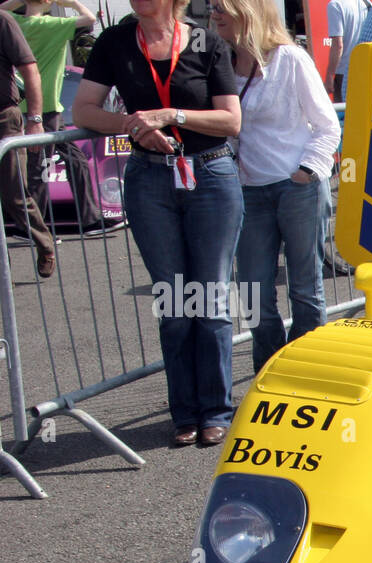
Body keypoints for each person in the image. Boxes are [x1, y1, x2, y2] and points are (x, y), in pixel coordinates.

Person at [72, 0, 242, 448]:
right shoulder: (115, 41)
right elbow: (84, 111)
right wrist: (132, 125)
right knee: (173, 301)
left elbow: (231, 120)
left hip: (209, 172)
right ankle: (184, 411)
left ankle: (216, 409)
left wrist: (171, 115)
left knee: (210, 299)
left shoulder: (206, 40)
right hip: (149, 177)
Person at [211, 0, 340, 373]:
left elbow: (328, 124)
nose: (214, 14)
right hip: (247, 193)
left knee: (305, 290)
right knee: (254, 295)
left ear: (248, 11)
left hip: (295, 188)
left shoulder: (290, 59)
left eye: (223, 7)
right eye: (212, 7)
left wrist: (307, 170)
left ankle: (308, 374)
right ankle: (270, 375)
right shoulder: (218, 62)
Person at [4, 0, 113, 233]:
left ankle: (90, 218)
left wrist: (22, 1)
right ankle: (33, 228)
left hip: (31, 105)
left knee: (75, 159)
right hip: (46, 106)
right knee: (39, 168)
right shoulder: (54, 24)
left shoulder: (16, 22)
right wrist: (70, 2)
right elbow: (90, 19)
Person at [0, 9, 55, 277]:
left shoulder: (3, 20)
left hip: (4, 120)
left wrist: (35, 119)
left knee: (15, 195)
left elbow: (30, 70)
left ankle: (45, 245)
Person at [325, 0, 368, 102]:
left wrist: (329, 76)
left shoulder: (335, 5)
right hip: (363, 70)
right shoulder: (365, 4)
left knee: (343, 114)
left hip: (343, 74)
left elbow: (338, 45)